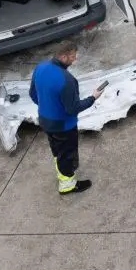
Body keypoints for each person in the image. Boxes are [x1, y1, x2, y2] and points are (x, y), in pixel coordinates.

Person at [29, 41, 107, 195]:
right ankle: (67, 185)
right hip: (64, 126)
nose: (74, 59)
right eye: (72, 56)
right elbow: (73, 109)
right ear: (63, 56)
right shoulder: (67, 80)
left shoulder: (40, 67)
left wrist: (48, 106)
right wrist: (93, 98)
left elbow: (33, 94)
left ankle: (62, 173)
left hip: (45, 120)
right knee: (67, 155)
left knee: (57, 150)